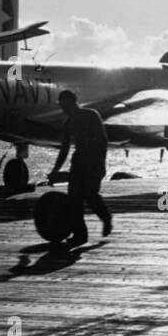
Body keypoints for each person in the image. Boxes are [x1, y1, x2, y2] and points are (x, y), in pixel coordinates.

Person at [50, 89, 112, 246]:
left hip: (94, 160)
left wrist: (101, 164)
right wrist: (55, 170)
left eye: (66, 106)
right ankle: (80, 235)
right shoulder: (68, 123)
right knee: (74, 200)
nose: (64, 109)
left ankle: (106, 218)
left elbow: (103, 141)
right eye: (62, 106)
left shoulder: (91, 115)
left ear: (74, 103)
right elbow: (64, 150)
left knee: (91, 196)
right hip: (79, 162)